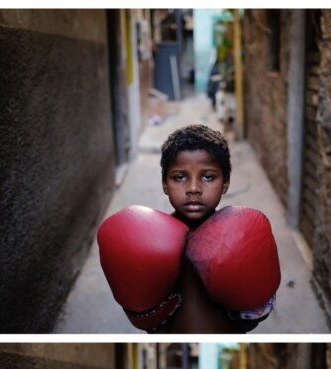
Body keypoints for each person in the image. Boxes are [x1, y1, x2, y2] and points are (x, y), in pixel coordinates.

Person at [96, 124, 280, 333]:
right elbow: (144, 317)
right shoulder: (150, 239)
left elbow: (255, 314)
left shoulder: (241, 235)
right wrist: (145, 313)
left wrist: (251, 302)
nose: (193, 188)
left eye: (208, 177)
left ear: (225, 183)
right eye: (179, 177)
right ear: (165, 184)